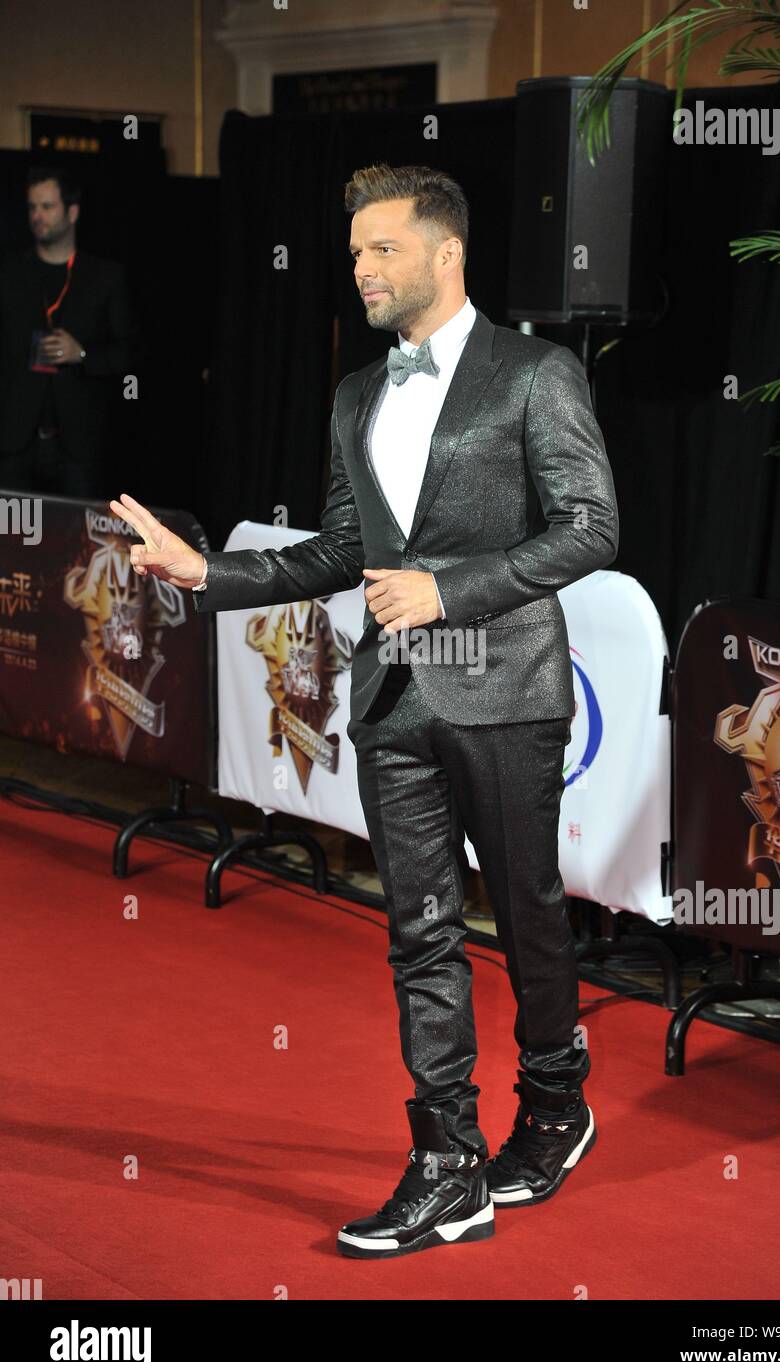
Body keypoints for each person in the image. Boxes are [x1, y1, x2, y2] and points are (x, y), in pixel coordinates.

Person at [109, 162, 619, 1262]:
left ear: (447, 252)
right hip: (392, 699)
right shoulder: (355, 393)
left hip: (505, 688)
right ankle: (446, 1162)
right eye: (352, 254)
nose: (362, 271)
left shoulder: (534, 374)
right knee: (419, 933)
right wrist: (205, 573)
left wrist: (450, 588)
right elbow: (346, 551)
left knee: (527, 913)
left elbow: (590, 528)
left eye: (382, 249)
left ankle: (554, 1101)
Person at [0, 166, 135, 498]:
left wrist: (83, 354)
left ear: (72, 212)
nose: (37, 216)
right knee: (17, 540)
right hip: (16, 439)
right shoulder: (10, 273)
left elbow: (131, 351)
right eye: (32, 207)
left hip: (79, 445)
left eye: (47, 207)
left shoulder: (104, 277)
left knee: (75, 543)